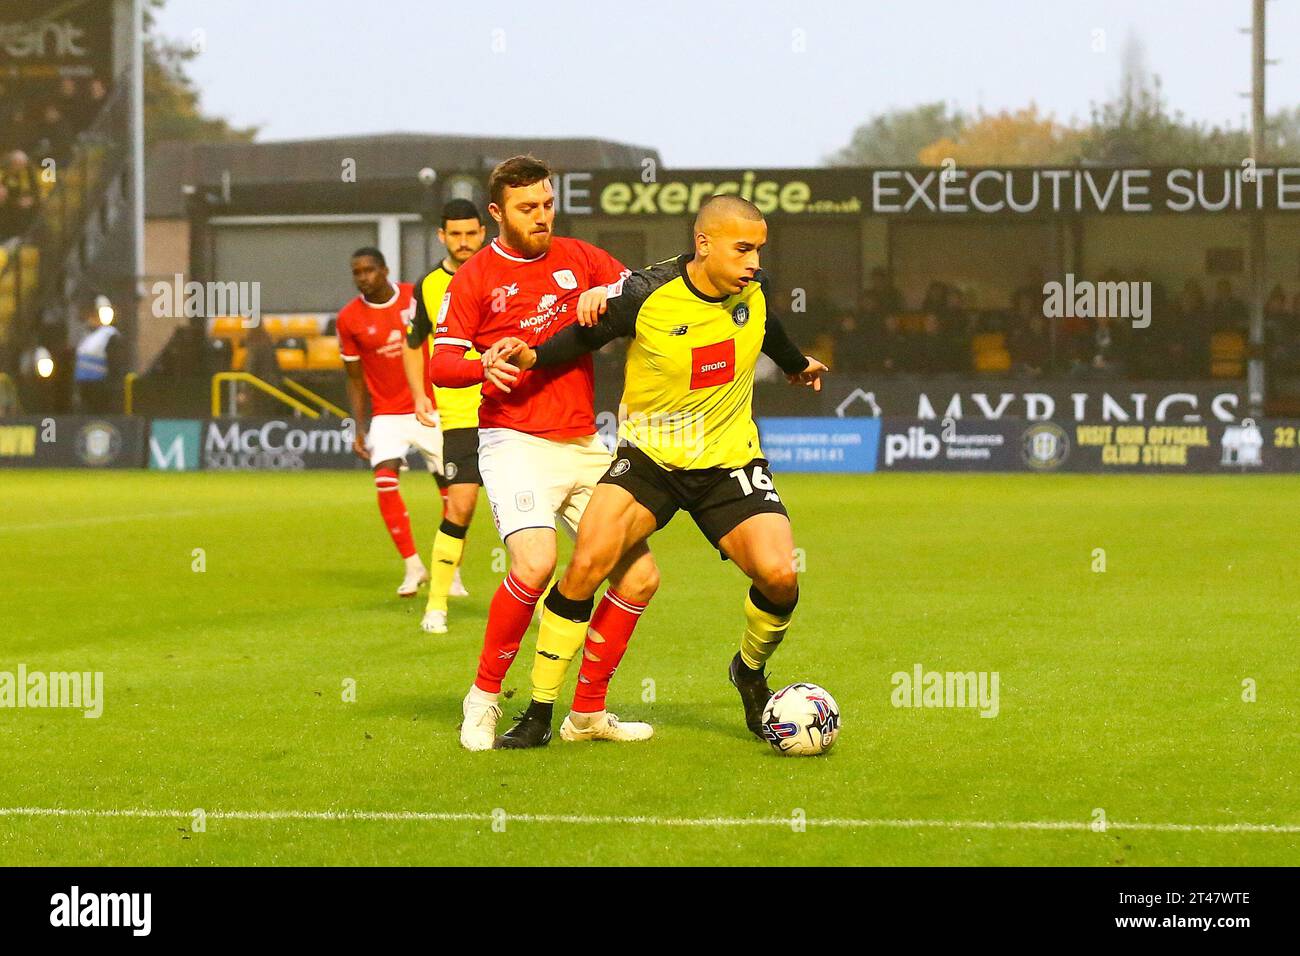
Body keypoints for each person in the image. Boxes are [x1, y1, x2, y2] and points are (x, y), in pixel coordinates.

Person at [481, 194, 827, 747]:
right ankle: (542, 711)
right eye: (743, 249)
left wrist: (796, 363)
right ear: (704, 244)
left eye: (759, 250)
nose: (754, 263)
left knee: (781, 576)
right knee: (584, 568)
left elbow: (770, 330)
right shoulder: (646, 293)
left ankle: (749, 671)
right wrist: (532, 356)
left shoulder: (751, 294)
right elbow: (586, 332)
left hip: (728, 463)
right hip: (649, 462)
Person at [430, 155, 660, 751]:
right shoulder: (475, 278)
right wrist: (481, 364)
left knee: (639, 578)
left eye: (548, 203)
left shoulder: (581, 258)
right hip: (515, 441)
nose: (541, 216)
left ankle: (586, 715)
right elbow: (442, 363)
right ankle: (481, 700)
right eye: (527, 207)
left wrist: (606, 299)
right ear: (497, 213)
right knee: (534, 566)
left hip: (584, 442)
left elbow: (641, 293)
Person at [336, 247, 443, 598]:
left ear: (384, 270)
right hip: (386, 414)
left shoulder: (416, 296)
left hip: (429, 406)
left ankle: (449, 570)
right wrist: (359, 426)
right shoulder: (350, 319)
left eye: (369, 270)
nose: (363, 277)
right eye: (357, 272)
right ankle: (413, 566)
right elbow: (354, 378)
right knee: (384, 481)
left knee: (455, 493)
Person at [402, 198, 487, 634]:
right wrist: (419, 394)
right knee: (460, 505)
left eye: (471, 233)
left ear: (483, 232)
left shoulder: (500, 274)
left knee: (533, 513)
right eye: (455, 234)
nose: (464, 241)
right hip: (459, 416)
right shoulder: (428, 286)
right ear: (442, 237)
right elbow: (414, 341)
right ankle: (436, 604)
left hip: (508, 411)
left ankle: (554, 605)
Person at [73, 304, 123, 413]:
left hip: (101, 389)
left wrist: (112, 387)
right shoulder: (88, 336)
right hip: (85, 387)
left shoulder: (109, 334)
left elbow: (114, 363)